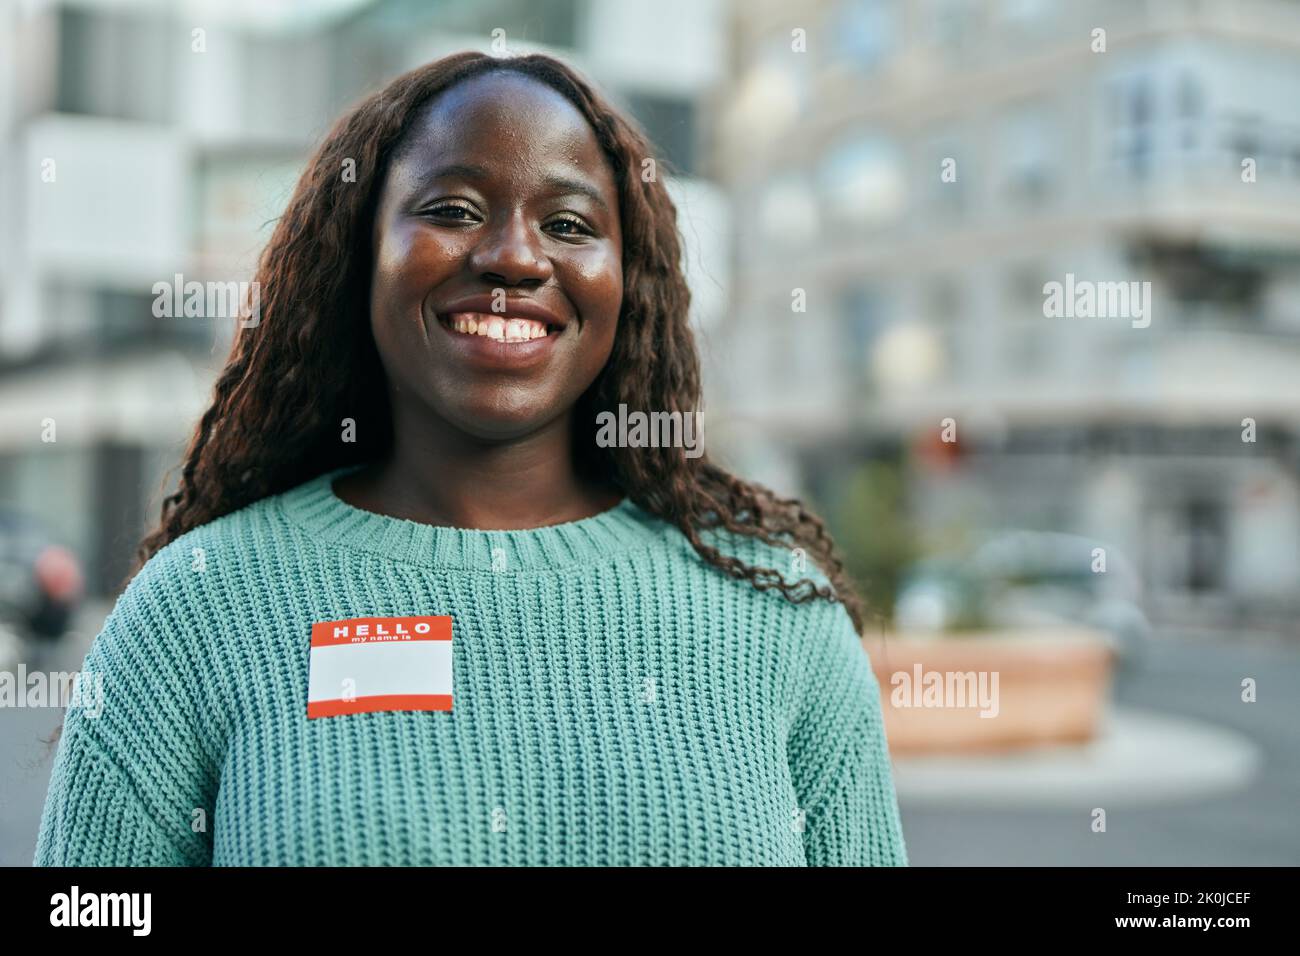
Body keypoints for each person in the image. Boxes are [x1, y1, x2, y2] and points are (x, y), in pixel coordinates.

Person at [34, 51, 907, 866]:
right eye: (452, 209)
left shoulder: (779, 618)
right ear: (359, 254)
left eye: (568, 223)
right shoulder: (201, 608)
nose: (513, 258)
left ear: (624, 279)